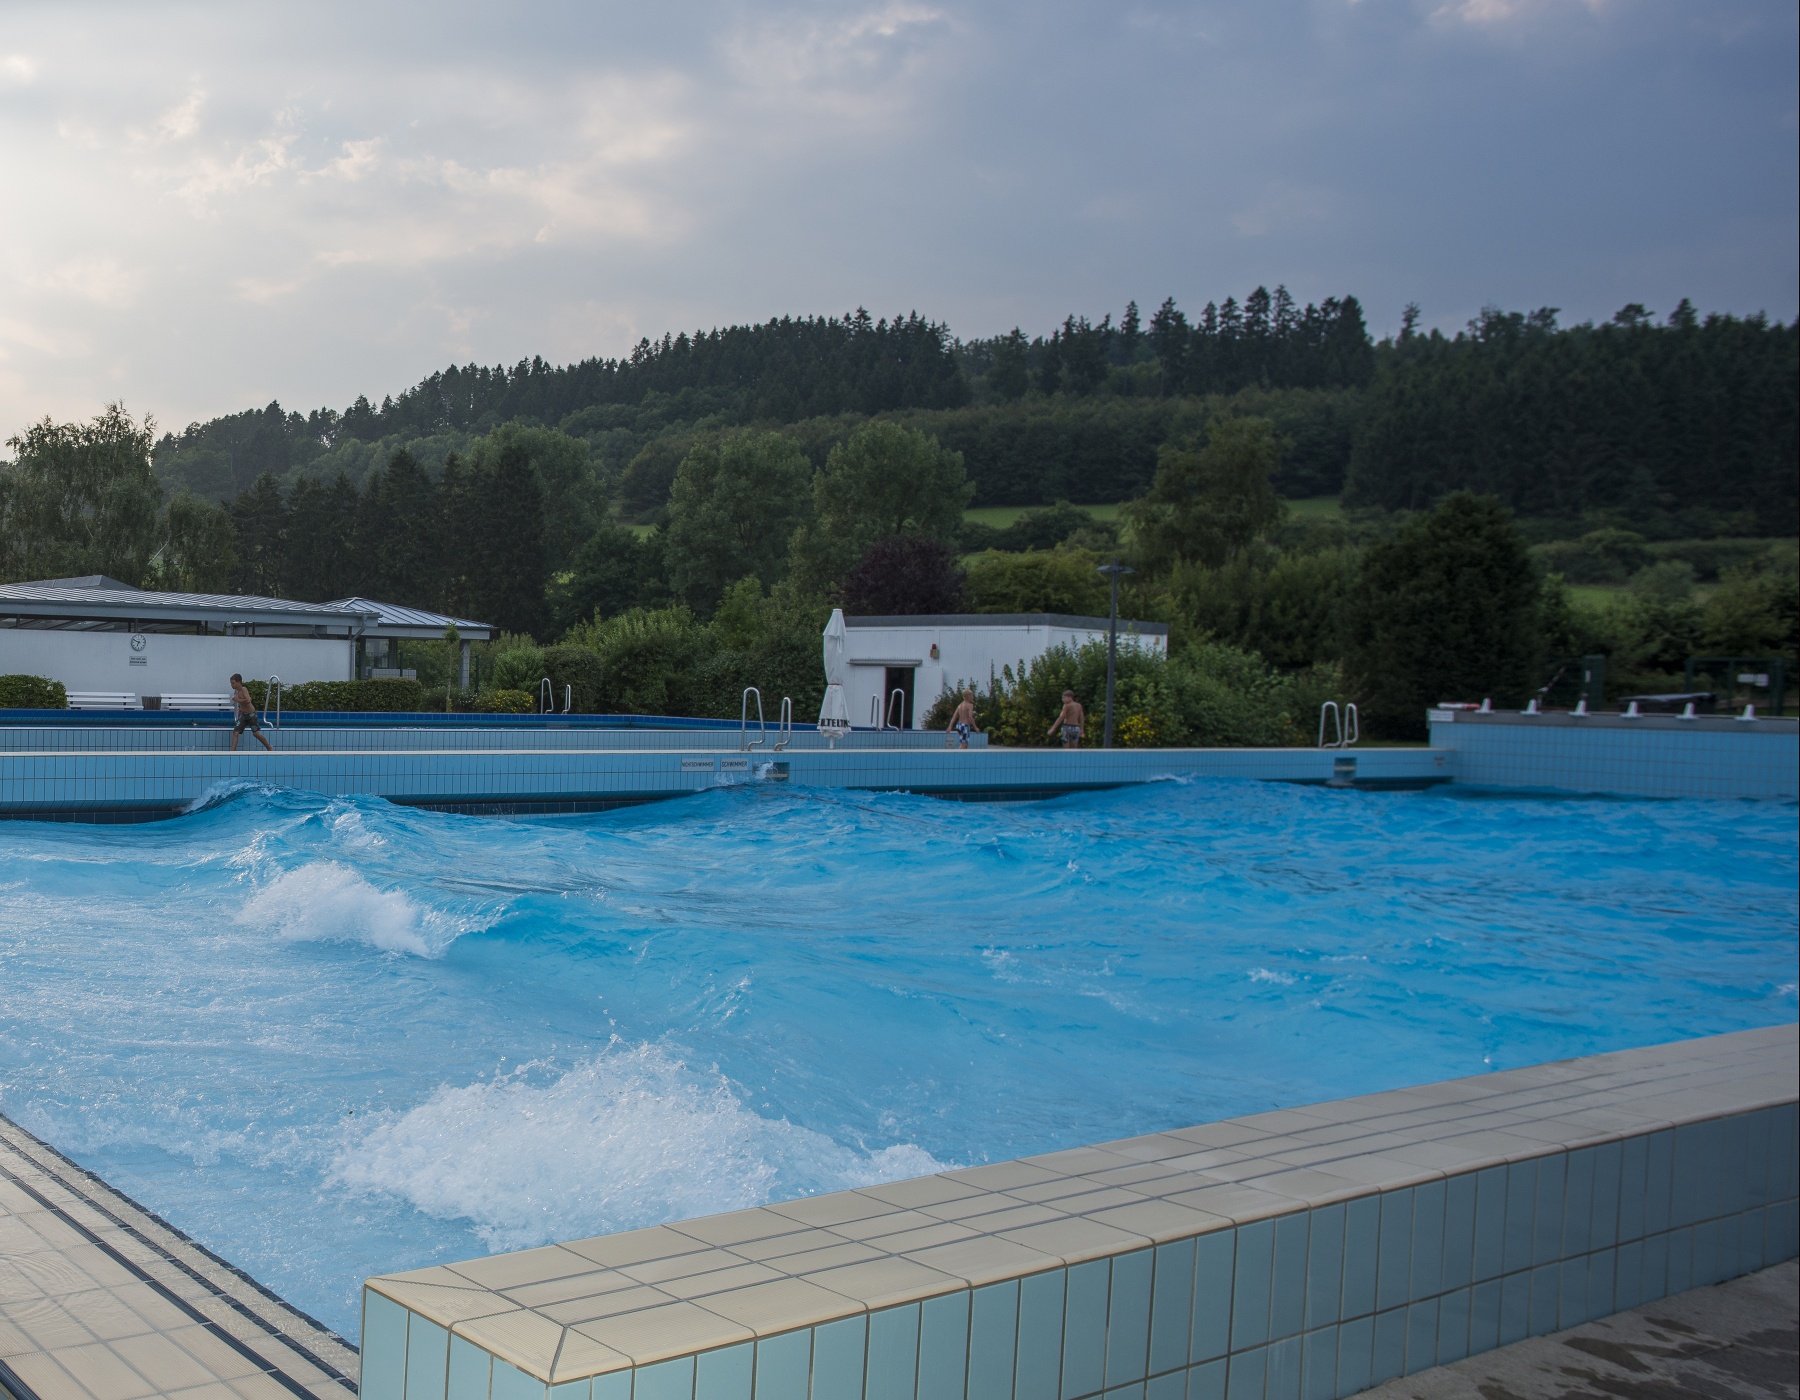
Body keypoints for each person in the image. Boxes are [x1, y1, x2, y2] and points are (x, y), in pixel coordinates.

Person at [229, 672, 273, 752]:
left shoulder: (243, 689)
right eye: (231, 683)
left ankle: (269, 747)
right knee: (235, 732)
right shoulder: (237, 691)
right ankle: (232, 752)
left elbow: (248, 700)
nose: (231, 685)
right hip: (243, 715)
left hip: (251, 715)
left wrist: (237, 700)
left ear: (238, 682)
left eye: (233, 683)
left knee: (255, 733)